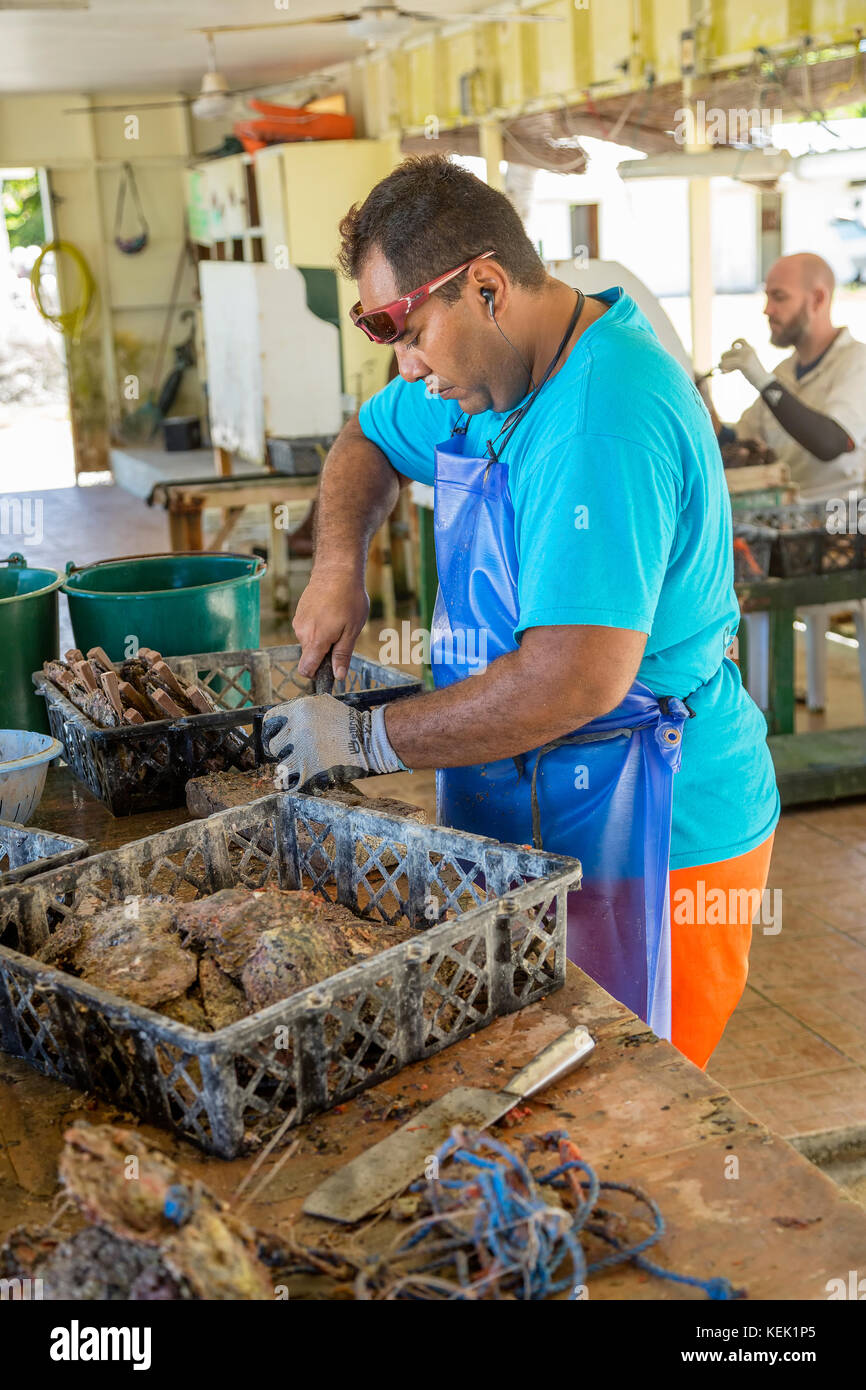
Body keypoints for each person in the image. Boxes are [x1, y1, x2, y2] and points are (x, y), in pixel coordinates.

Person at [262, 155, 780, 1069]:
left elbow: (570, 680)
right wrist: (337, 564)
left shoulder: (601, 419)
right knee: (528, 1091)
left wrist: (364, 739)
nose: (408, 369)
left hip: (653, 834)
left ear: (489, 288)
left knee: (630, 1106)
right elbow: (366, 438)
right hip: (521, 803)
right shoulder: (489, 377)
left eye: (413, 335)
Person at [703, 252, 866, 501]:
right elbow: (736, 443)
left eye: (779, 297)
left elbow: (831, 443)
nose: (767, 310)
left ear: (818, 299)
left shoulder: (857, 363)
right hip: (784, 516)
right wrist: (703, 405)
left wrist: (764, 383)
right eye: (767, 296)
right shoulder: (784, 372)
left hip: (841, 517)